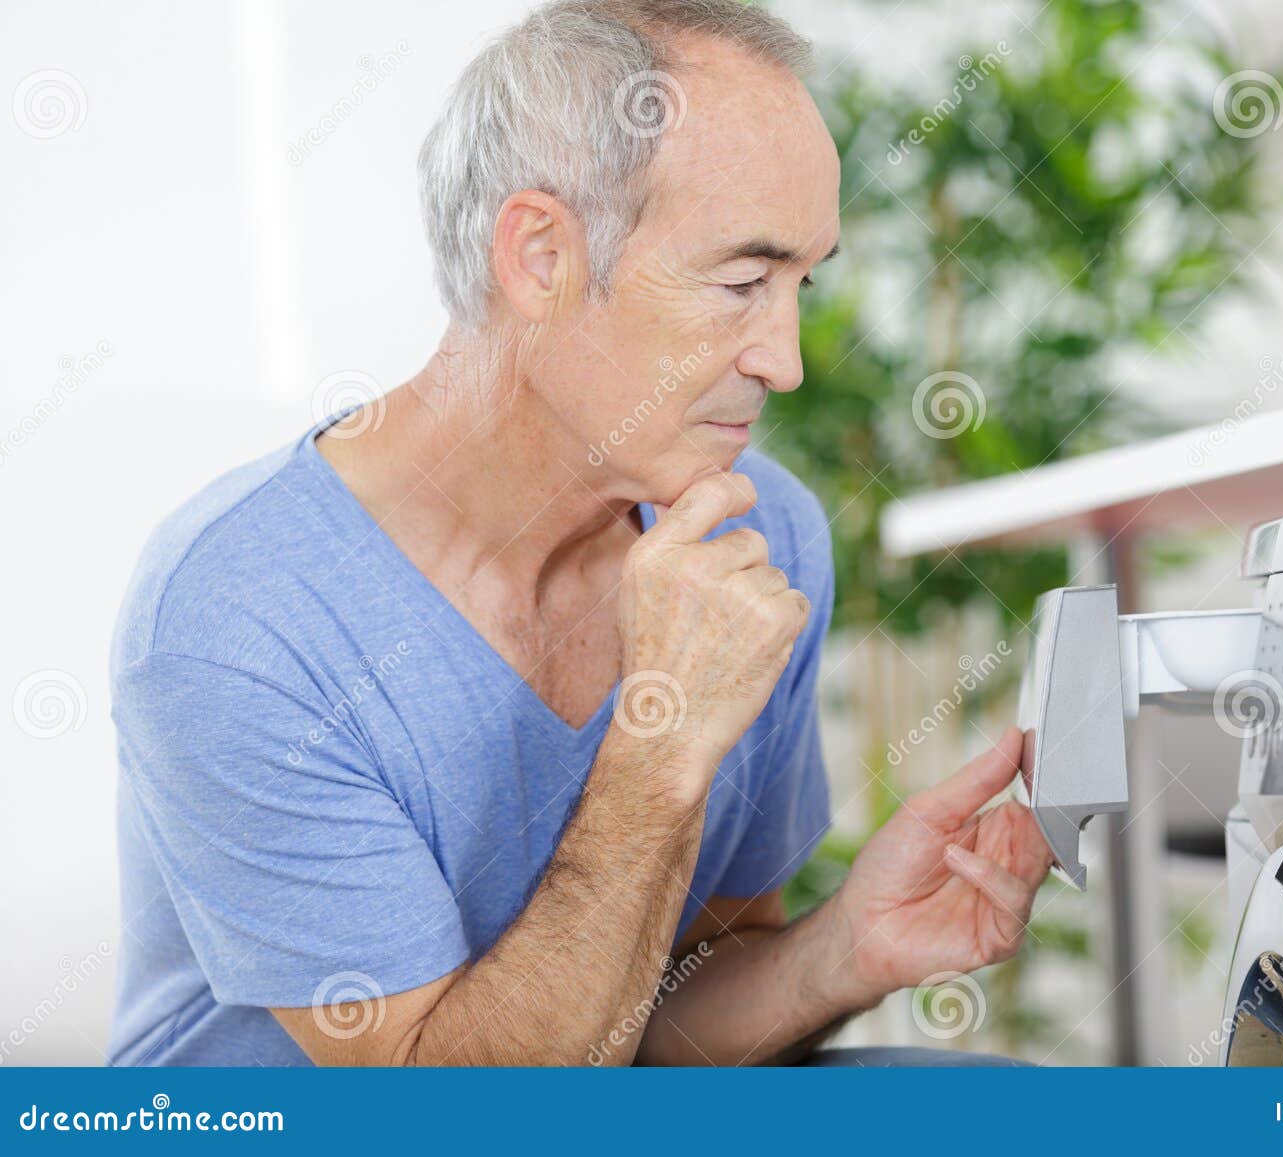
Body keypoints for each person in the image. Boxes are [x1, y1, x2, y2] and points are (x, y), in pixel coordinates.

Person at [107, 0, 1052, 1067]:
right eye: (742, 282)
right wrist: (660, 747)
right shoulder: (239, 612)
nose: (784, 361)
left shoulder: (756, 534)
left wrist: (843, 951)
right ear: (541, 254)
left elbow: (645, 1030)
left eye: (802, 283)